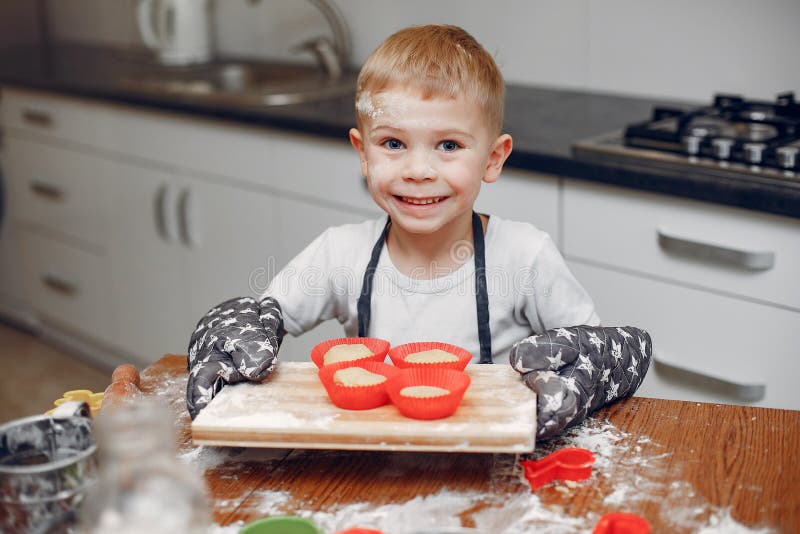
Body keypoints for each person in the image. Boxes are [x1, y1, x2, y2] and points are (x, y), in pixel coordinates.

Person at [186, 25, 651, 439]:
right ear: (363, 153)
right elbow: (261, 317)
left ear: (493, 158)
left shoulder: (525, 257)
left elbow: (601, 353)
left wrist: (573, 379)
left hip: (492, 464)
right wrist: (229, 337)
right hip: (369, 462)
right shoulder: (339, 254)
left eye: (448, 145)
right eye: (393, 144)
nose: (418, 170)